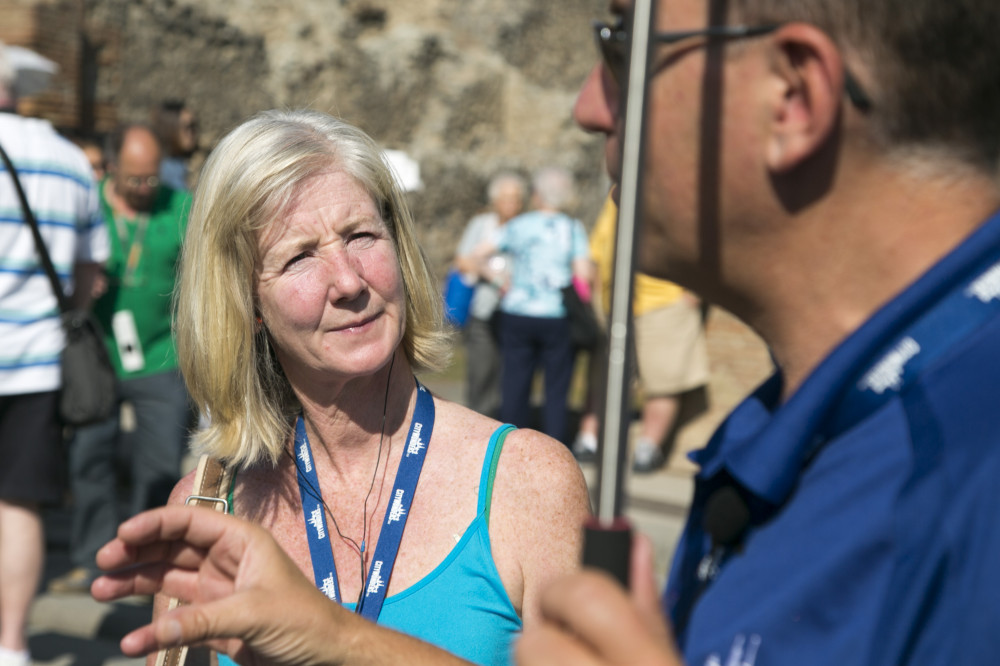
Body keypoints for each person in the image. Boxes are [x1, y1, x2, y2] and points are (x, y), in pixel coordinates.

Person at [96, 0, 1000, 663]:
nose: (587, 106)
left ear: (794, 96)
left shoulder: (960, 463)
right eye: (297, 258)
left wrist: (331, 639)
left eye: (621, 45)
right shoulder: (782, 448)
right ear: (243, 298)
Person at [154, 109, 587, 666]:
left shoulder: (527, 484)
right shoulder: (206, 510)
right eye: (300, 257)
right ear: (247, 303)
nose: (349, 281)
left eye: (361, 236)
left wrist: (345, 645)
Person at [48, 123, 193, 594]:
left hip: (162, 356)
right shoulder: (87, 203)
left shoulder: (181, 207)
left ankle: (148, 563)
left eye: (152, 178)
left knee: (159, 466)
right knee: (90, 458)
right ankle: (93, 560)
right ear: (112, 169)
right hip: (97, 359)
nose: (145, 189)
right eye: (135, 179)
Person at [0, 42, 107, 666]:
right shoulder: (69, 159)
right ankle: (12, 646)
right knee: (18, 503)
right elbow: (90, 273)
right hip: (38, 360)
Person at [573, 194, 709, 472]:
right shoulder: (618, 190)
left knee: (663, 378)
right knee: (603, 375)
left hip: (664, 302)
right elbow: (598, 247)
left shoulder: (673, 188)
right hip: (615, 303)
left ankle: (648, 448)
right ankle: (589, 439)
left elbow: (699, 241)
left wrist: (695, 290)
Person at [493, 166, 592, 444]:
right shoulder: (572, 228)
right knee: (557, 388)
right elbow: (584, 273)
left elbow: (478, 255)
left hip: (517, 311)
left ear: (537, 195)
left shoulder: (519, 225)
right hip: (556, 314)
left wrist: (498, 279)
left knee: (514, 383)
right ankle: (555, 446)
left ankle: (509, 445)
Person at [452, 172, 527, 418]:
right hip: (483, 308)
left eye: (516, 198)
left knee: (510, 372)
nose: (511, 203)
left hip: (516, 310)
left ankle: (506, 425)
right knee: (481, 370)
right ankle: (476, 422)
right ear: (494, 200)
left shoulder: (528, 226)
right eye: (505, 198)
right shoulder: (482, 224)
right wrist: (492, 276)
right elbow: (462, 261)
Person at [151, 99, 198, 191]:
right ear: (170, 128)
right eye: (187, 127)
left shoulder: (179, 164)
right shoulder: (165, 169)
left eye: (194, 126)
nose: (192, 133)